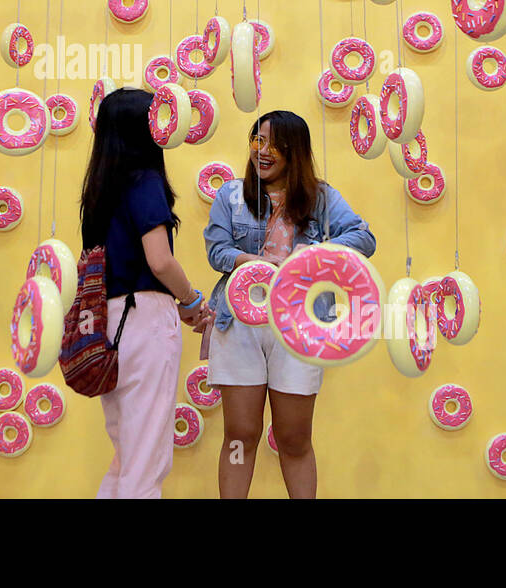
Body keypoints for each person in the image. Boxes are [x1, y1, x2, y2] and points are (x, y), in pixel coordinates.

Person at [203, 110, 376, 499]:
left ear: (294, 151)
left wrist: (306, 257)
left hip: (299, 325)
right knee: (239, 435)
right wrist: (253, 263)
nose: (263, 152)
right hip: (239, 324)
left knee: (294, 439)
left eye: (275, 145)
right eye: (257, 141)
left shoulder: (320, 196)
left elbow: (364, 239)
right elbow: (218, 252)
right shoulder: (230, 195)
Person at [79, 87, 212, 498]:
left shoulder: (98, 193)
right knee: (147, 460)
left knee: (126, 456)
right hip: (146, 318)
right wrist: (191, 301)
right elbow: (160, 260)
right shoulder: (145, 180)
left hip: (108, 322)